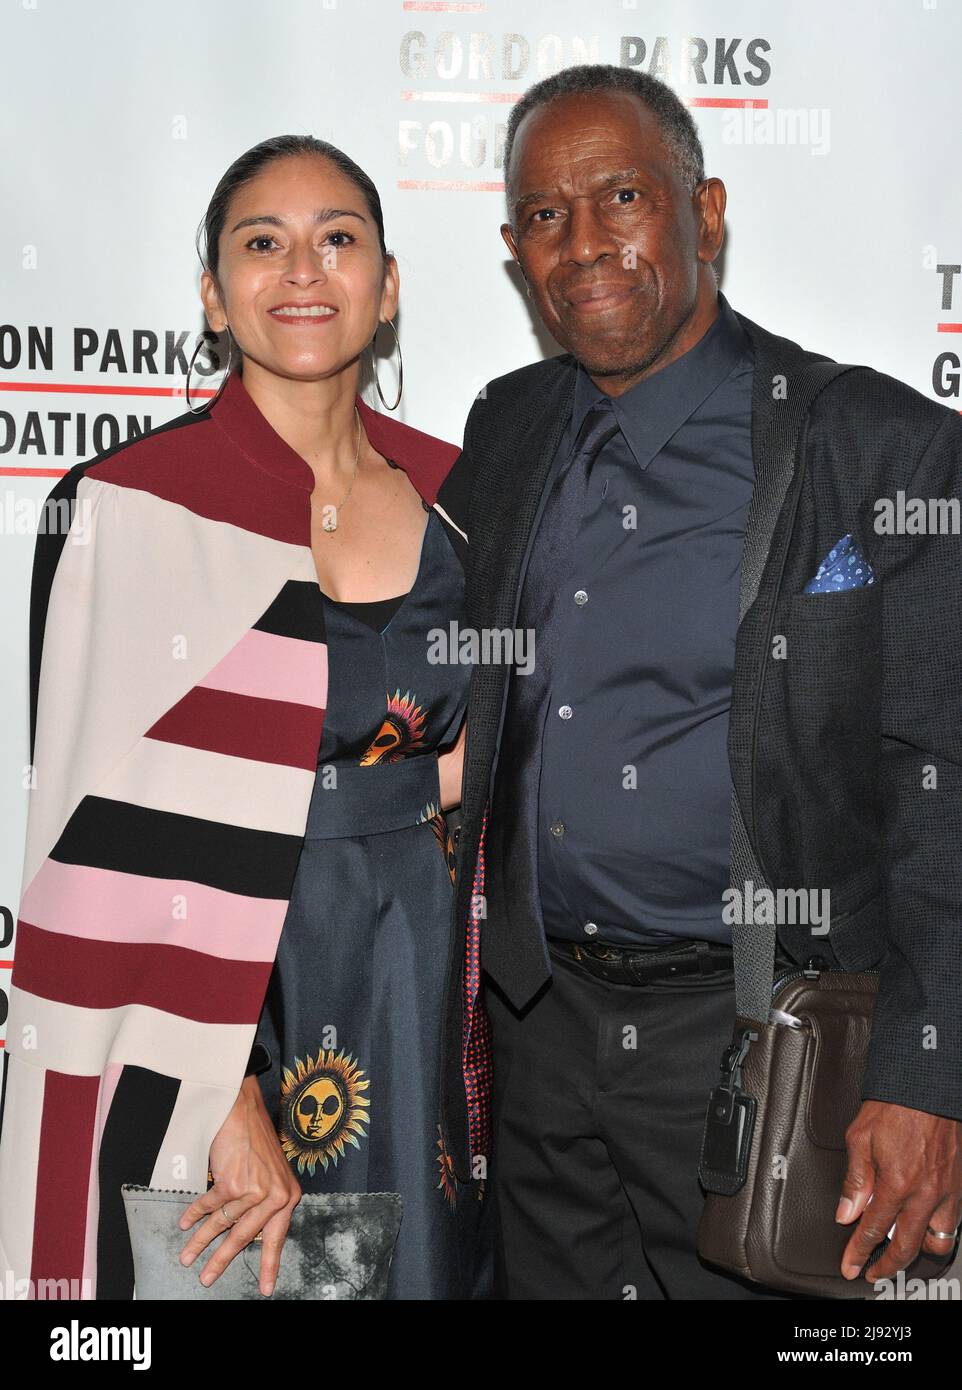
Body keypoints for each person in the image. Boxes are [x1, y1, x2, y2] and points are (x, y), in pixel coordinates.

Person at [434, 63, 962, 1300]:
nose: (582, 244)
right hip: (537, 1039)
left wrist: (926, 1071)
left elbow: (944, 785)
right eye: (543, 216)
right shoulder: (504, 428)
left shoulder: (872, 443)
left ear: (704, 212)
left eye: (619, 196)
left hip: (763, 1046)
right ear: (514, 252)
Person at [0, 134, 485, 1300]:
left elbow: (501, 759)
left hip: (429, 994)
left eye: (338, 239)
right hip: (224, 1006)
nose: (303, 270)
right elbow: (88, 857)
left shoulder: (465, 495)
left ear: (388, 282)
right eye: (261, 244)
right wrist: (222, 1088)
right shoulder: (124, 511)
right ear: (213, 298)